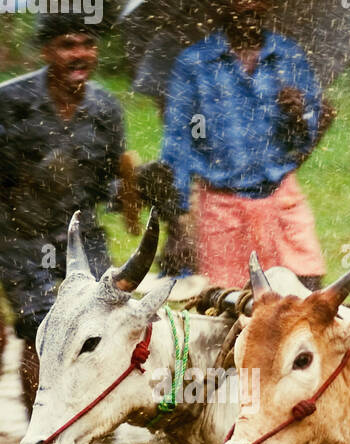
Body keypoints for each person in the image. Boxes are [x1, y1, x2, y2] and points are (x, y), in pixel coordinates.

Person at [0, 15, 134, 416]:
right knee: (41, 328)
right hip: (21, 237)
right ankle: (41, 428)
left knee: (100, 321)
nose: (80, 55)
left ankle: (90, 422)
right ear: (46, 51)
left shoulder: (105, 108)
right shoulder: (10, 104)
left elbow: (111, 182)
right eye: (67, 45)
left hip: (82, 235)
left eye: (87, 45)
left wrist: (134, 188)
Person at [160, 0, 330, 290]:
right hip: (221, 206)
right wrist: (178, 225)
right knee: (229, 302)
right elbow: (178, 147)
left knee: (306, 291)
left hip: (280, 198)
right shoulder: (195, 64)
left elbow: (305, 137)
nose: (248, 4)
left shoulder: (288, 56)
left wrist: (299, 117)